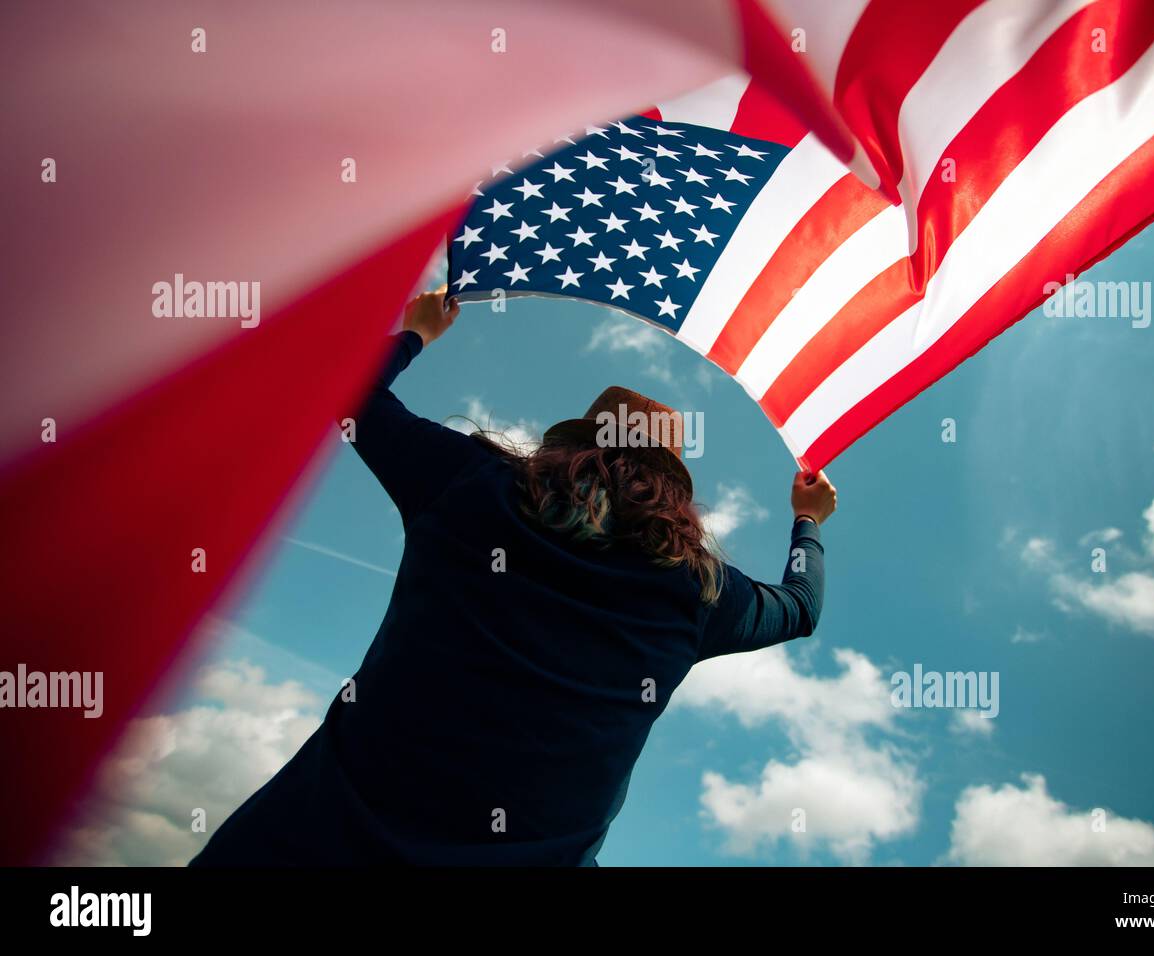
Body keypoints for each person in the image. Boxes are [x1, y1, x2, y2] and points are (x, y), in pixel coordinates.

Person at [190, 286, 835, 866]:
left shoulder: (469, 483)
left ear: (573, 445)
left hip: (306, 845)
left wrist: (416, 330)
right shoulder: (699, 590)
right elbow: (800, 606)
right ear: (670, 488)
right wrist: (806, 522)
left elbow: (351, 394)